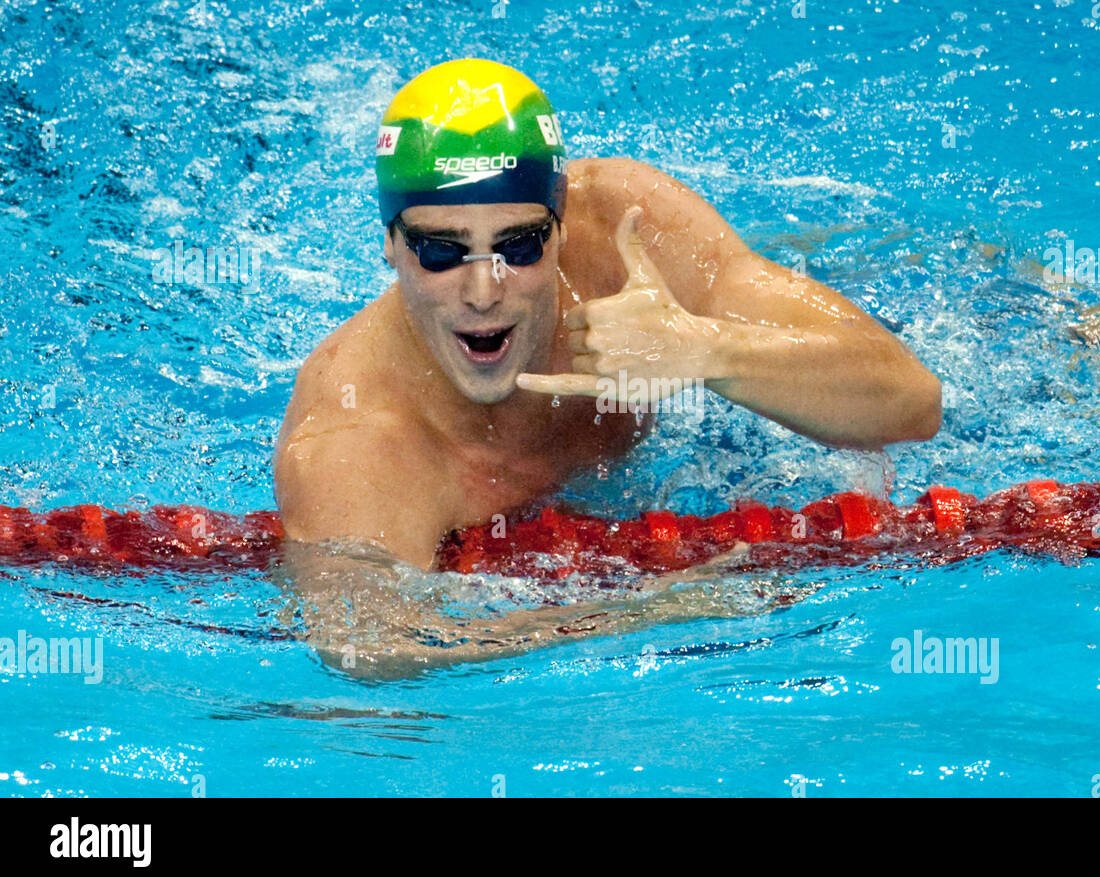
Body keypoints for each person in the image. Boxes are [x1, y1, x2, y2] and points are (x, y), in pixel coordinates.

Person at [274, 56, 940, 597]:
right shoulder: (355, 440)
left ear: (563, 231)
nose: (483, 292)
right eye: (443, 251)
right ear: (389, 245)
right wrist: (651, 611)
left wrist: (706, 349)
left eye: (519, 245)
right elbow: (374, 661)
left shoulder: (625, 237)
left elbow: (913, 401)